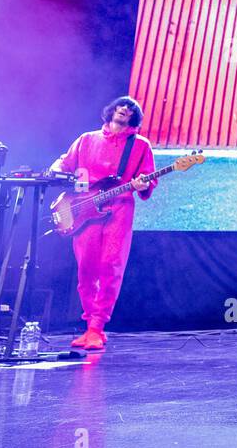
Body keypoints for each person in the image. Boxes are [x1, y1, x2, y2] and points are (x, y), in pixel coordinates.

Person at [50, 96, 157, 350]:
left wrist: (144, 184)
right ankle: (89, 325)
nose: (125, 110)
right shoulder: (86, 139)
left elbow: (147, 180)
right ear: (111, 111)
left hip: (119, 209)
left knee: (110, 266)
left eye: (131, 109)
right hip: (84, 210)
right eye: (121, 106)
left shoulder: (140, 145)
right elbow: (64, 163)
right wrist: (53, 170)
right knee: (86, 268)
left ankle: (97, 326)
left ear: (134, 117)